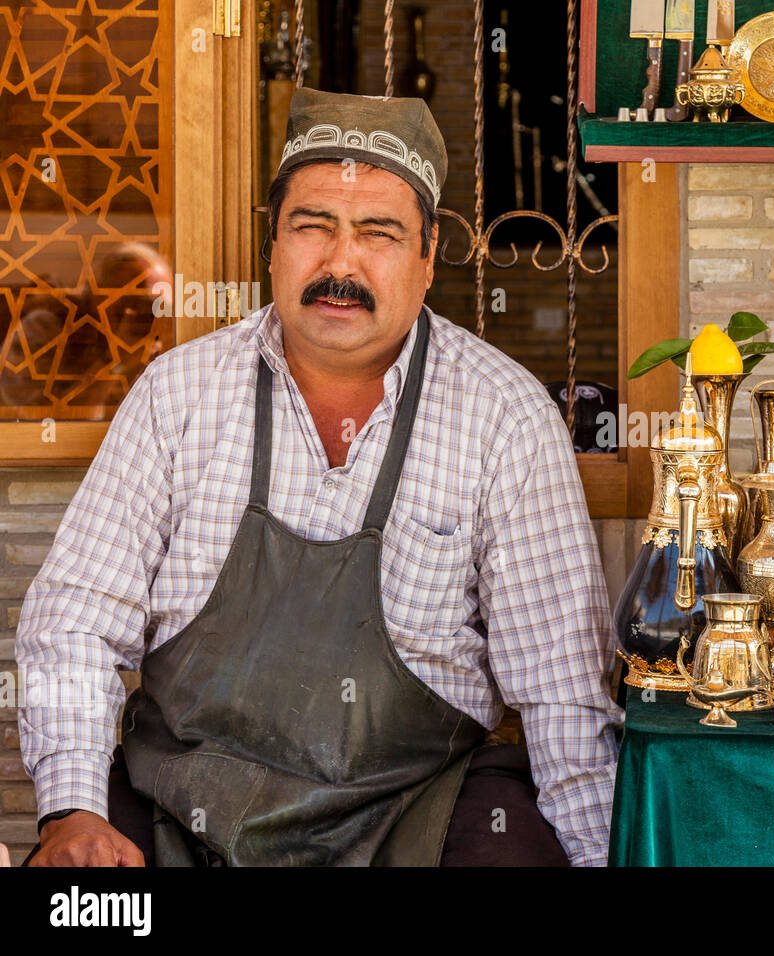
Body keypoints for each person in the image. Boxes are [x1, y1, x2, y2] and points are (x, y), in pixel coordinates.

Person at [16, 89, 622, 866]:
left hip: (414, 810)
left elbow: (561, 696)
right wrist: (70, 811)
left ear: (429, 257)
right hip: (182, 802)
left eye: (379, 233)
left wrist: (591, 854)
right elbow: (74, 622)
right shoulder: (179, 394)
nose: (342, 264)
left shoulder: (503, 415)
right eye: (313, 227)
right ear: (272, 244)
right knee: (83, 907)